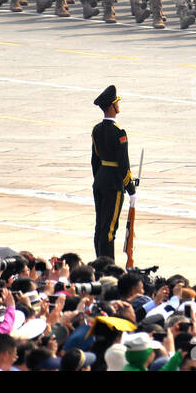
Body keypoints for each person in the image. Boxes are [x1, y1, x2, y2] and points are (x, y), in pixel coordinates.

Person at [91, 85, 135, 261]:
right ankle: (107, 264)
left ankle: (99, 261)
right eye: (116, 102)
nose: (118, 105)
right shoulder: (118, 132)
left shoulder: (96, 129)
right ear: (112, 106)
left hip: (100, 180)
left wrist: (99, 179)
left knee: (100, 225)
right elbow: (123, 164)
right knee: (109, 229)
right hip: (113, 183)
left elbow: (94, 160)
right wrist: (130, 188)